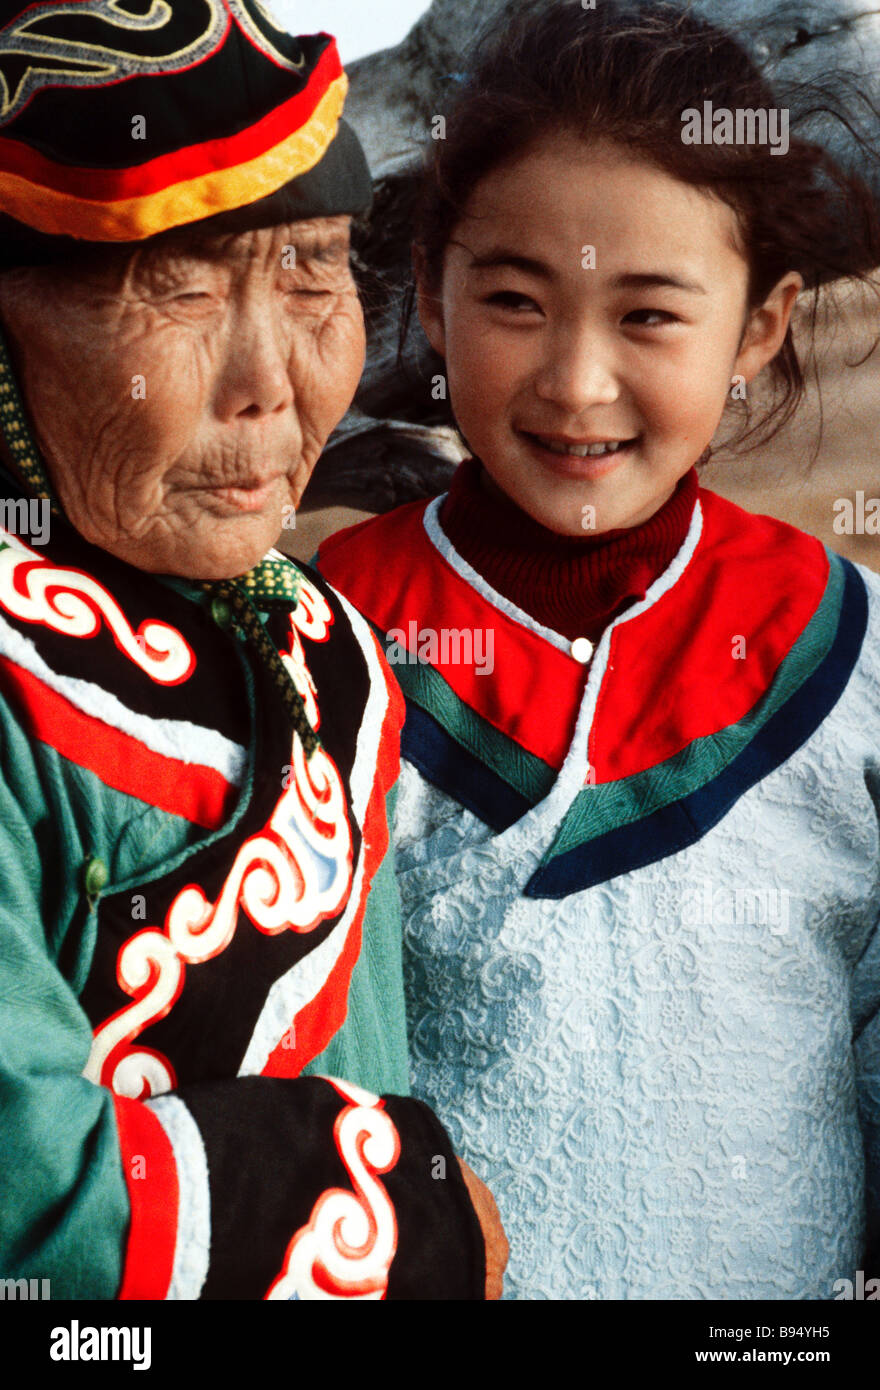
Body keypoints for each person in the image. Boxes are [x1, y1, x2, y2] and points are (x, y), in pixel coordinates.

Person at [318, 0, 880, 1298]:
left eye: (648, 316)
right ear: (429, 297)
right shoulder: (324, 642)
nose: (575, 381)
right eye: (515, 299)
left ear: (760, 326)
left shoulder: (845, 654)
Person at [0, 4, 507, 1300]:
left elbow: (370, 1070)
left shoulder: (324, 647)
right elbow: (28, 1203)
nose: (271, 382)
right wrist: (403, 1221)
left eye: (311, 274)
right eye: (178, 284)